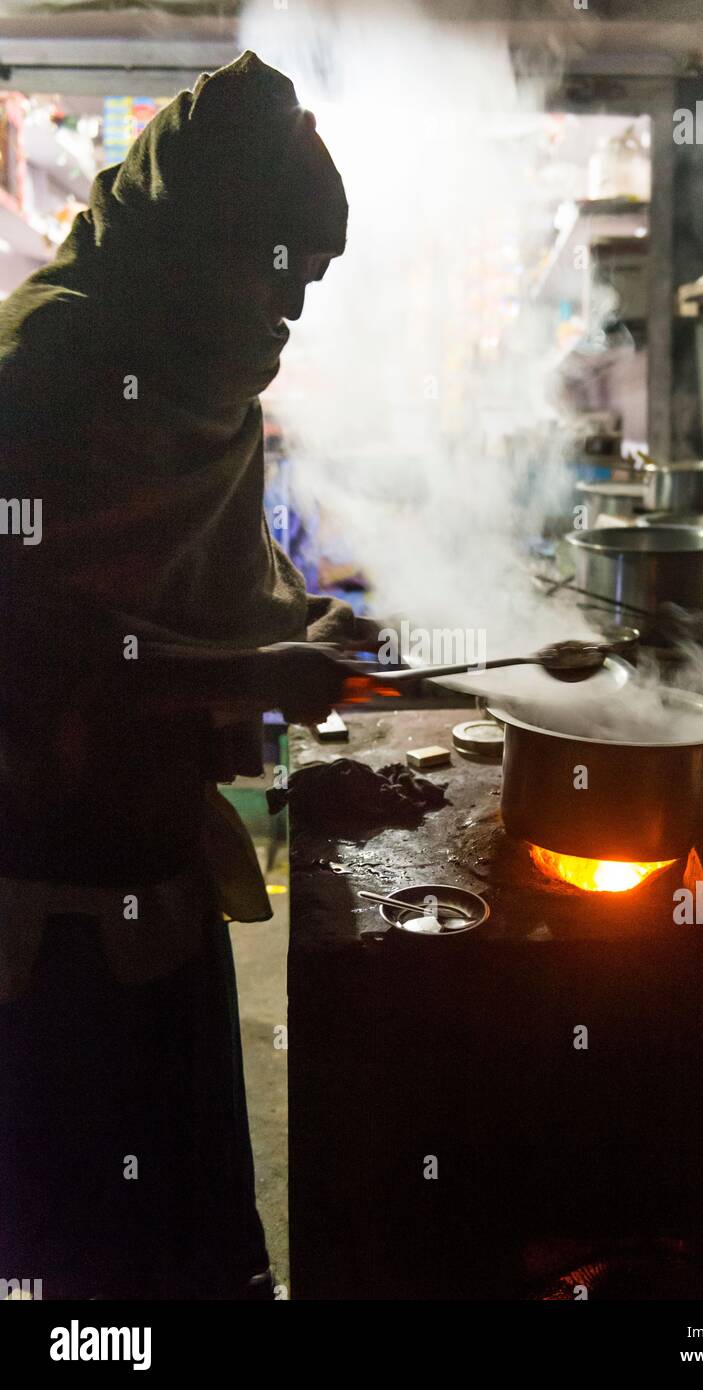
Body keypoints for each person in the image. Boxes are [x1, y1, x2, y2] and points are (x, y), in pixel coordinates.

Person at [0, 51, 367, 1299]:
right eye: (278, 267)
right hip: (36, 903)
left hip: (156, 866)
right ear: (194, 230)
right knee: (75, 1246)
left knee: (191, 1238)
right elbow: (27, 646)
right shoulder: (40, 370)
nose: (294, 309)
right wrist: (262, 666)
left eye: (313, 280)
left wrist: (297, 651)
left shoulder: (209, 386)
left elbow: (206, 594)